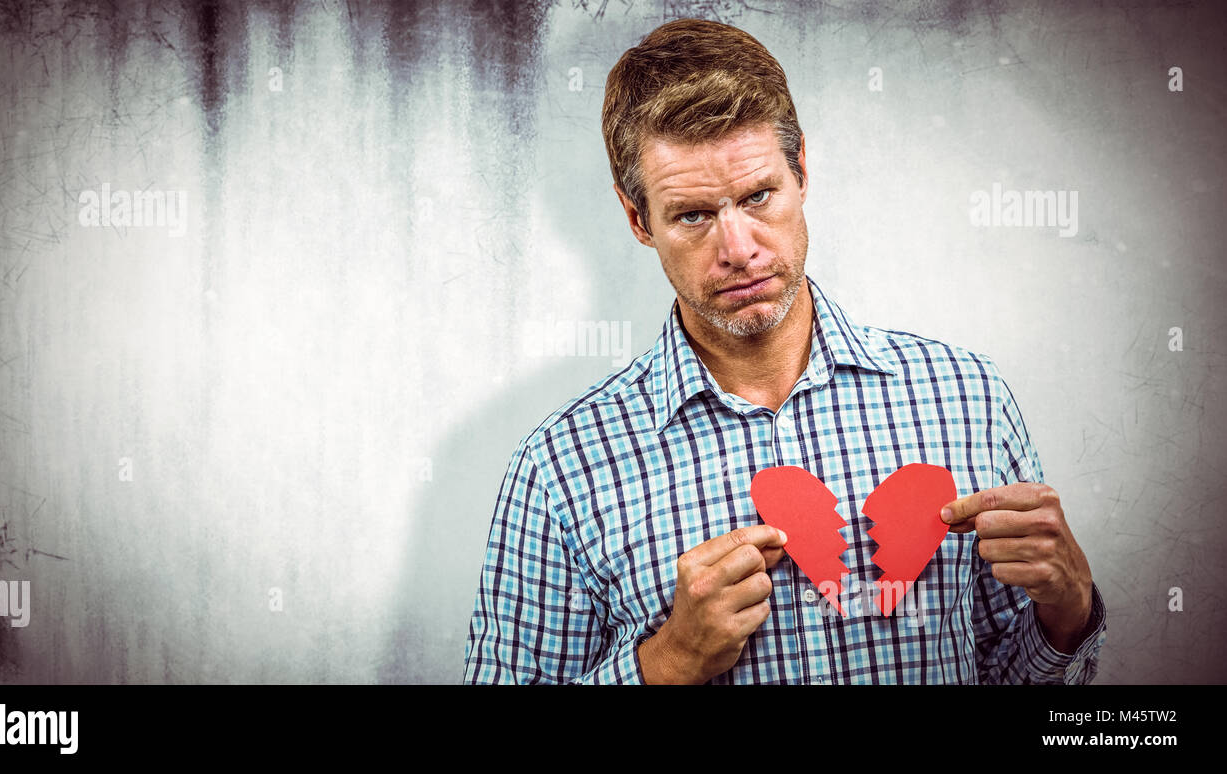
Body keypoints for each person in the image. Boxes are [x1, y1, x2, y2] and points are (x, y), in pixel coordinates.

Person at [463, 18, 1106, 684]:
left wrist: (1069, 609)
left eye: (758, 196)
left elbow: (1017, 678)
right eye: (693, 215)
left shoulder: (967, 396)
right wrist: (669, 660)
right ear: (637, 219)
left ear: (801, 173)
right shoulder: (561, 471)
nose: (738, 249)